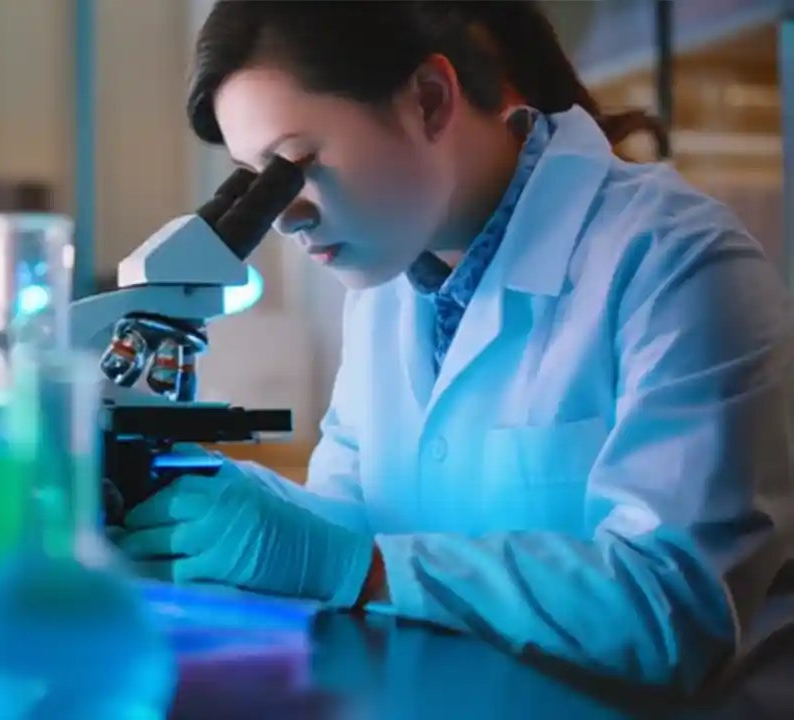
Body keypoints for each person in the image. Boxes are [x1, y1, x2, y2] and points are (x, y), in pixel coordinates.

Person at [117, 0, 794, 690]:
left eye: (294, 163)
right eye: (255, 181)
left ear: (430, 101)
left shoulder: (674, 261)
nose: (284, 217)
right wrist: (200, 495)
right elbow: (353, 523)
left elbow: (674, 616)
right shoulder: (384, 290)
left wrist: (355, 566)